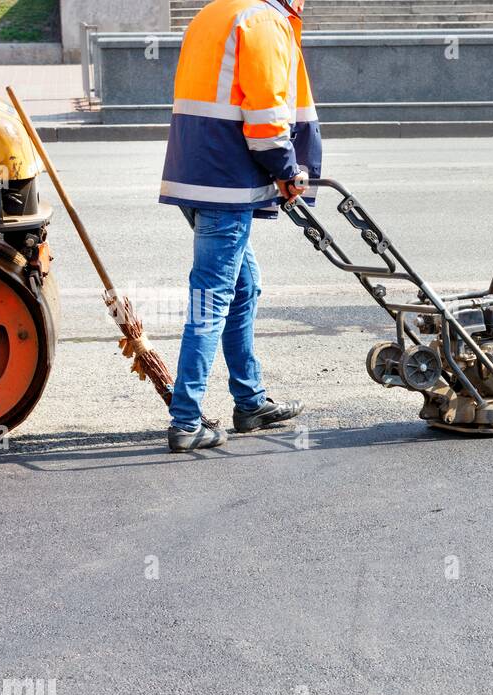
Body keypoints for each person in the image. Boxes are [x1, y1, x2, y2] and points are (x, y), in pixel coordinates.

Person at [158, 0, 321, 452]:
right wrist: (288, 170)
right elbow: (266, 115)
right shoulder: (263, 21)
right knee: (211, 297)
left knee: (243, 285)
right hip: (225, 183)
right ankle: (186, 421)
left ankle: (250, 402)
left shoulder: (215, 12)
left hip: (194, 174)